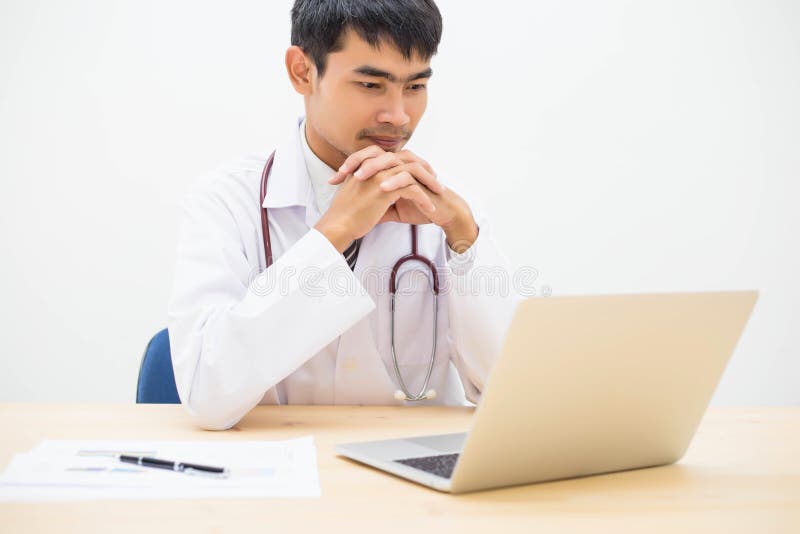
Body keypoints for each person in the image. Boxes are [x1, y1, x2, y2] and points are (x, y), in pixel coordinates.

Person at [167, 0, 520, 430]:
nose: (398, 116)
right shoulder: (225, 201)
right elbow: (209, 395)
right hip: (275, 472)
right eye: (371, 85)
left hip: (412, 479)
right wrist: (333, 233)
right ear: (302, 71)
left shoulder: (451, 208)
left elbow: (514, 395)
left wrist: (464, 235)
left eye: (415, 86)